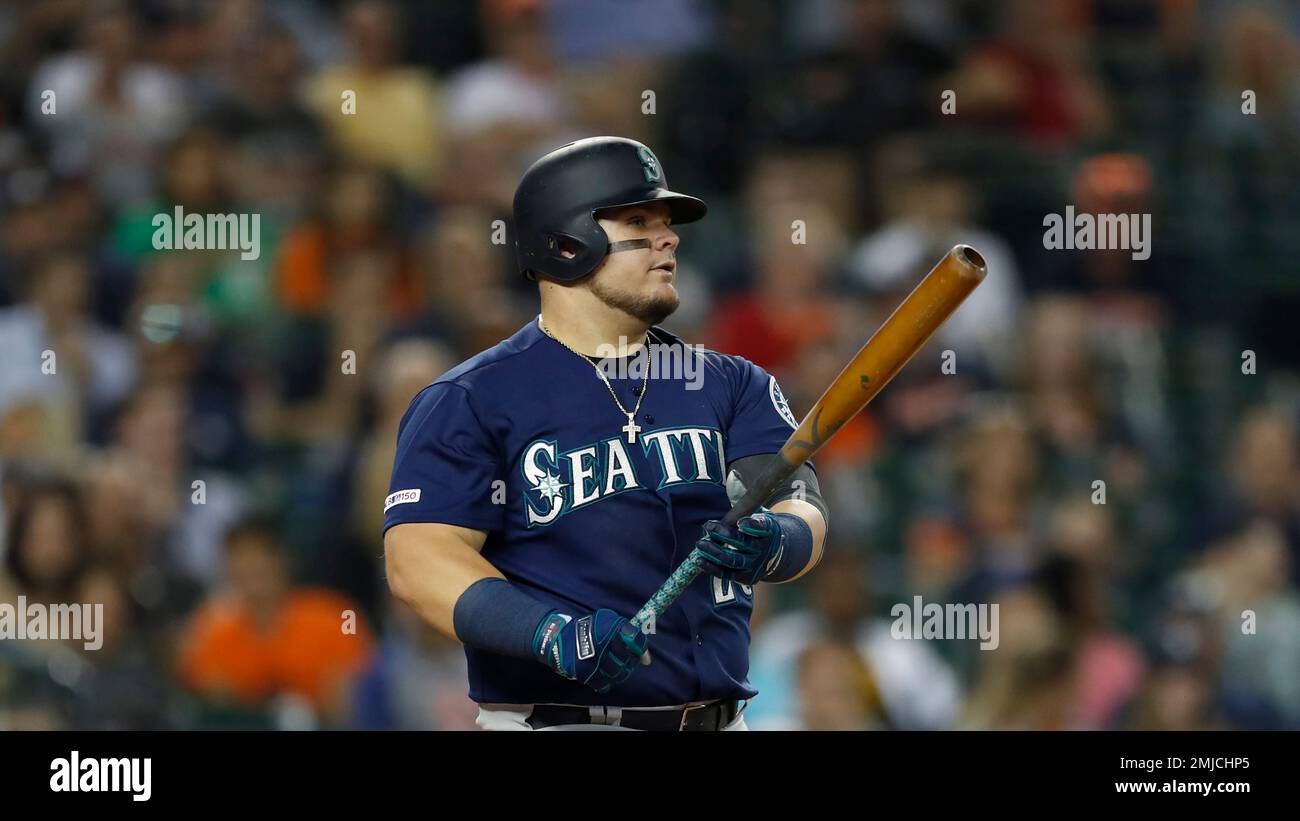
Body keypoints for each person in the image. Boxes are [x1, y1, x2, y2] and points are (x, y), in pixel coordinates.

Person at [383, 136, 829, 730]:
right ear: (566, 244)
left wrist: (777, 540)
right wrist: (551, 635)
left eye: (666, 224)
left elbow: (802, 506)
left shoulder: (729, 383)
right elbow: (417, 560)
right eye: (638, 222)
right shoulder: (471, 399)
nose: (668, 239)